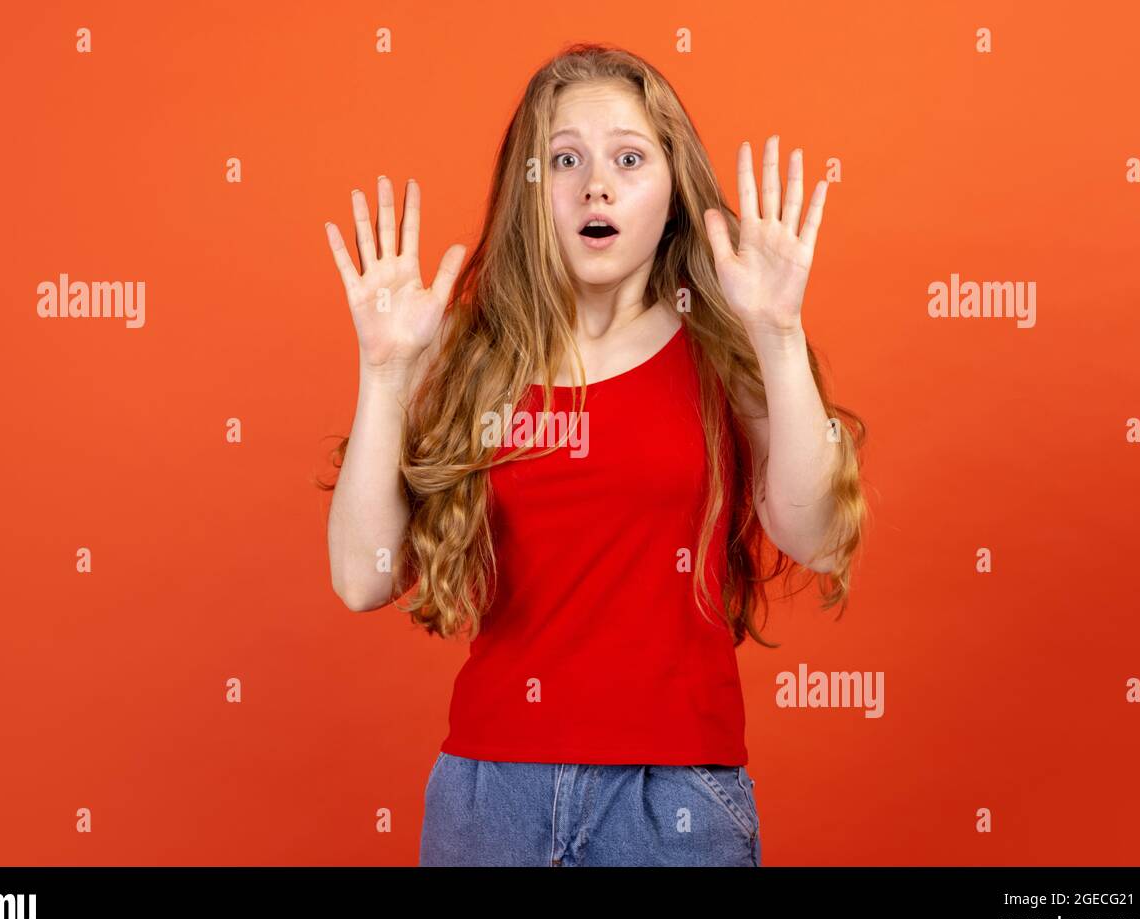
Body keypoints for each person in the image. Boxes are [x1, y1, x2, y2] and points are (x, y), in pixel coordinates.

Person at [319, 42, 867, 866]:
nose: (595, 185)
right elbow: (363, 576)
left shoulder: (730, 350)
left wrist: (780, 334)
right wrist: (386, 371)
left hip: (673, 798)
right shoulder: (474, 356)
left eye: (629, 158)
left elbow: (817, 536)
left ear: (673, 187)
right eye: (564, 159)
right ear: (530, 194)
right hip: (488, 796)